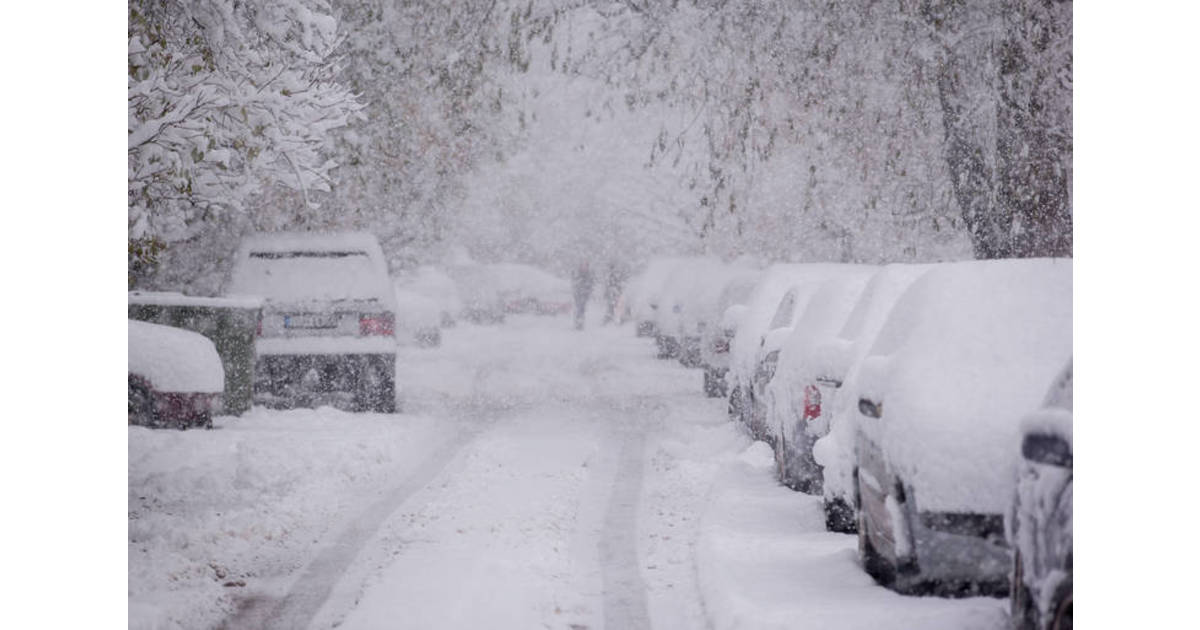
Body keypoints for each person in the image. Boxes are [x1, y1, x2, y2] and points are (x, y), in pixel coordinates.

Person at [572, 262, 595, 330]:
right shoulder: (577, 274)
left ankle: (580, 323)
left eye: (585, 266)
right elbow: (574, 283)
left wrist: (589, 291)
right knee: (579, 308)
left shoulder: (589, 275)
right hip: (578, 295)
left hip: (585, 295)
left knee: (582, 309)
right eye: (583, 265)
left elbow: (591, 284)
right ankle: (578, 322)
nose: (584, 267)